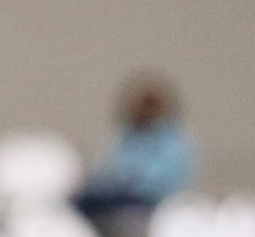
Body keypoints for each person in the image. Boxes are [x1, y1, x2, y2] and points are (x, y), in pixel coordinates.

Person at [77, 71, 199, 220]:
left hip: (152, 203)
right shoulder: (123, 135)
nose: (144, 111)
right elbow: (104, 169)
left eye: (149, 107)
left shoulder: (173, 141)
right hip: (116, 197)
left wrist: (133, 182)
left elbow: (168, 180)